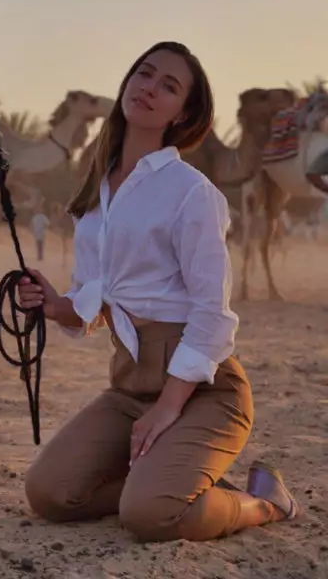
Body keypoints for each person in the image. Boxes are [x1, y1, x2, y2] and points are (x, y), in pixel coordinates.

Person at [16, 41, 298, 543]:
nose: (149, 87)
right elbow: (92, 302)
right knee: (50, 493)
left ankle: (262, 501)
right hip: (128, 388)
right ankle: (174, 479)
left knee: (149, 518)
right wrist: (53, 304)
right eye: (144, 75)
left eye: (168, 86)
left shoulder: (192, 193)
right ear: (126, 82)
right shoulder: (95, 196)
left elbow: (214, 317)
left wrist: (168, 407)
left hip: (203, 394)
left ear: (182, 112)